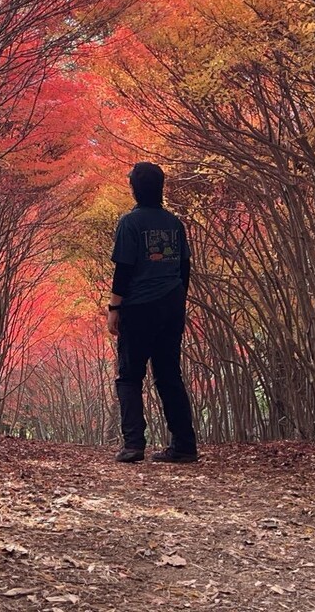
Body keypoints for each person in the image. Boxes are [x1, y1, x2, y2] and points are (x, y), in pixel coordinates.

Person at [107, 161, 197, 463]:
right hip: (171, 305)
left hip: (139, 305)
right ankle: (185, 445)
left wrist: (114, 308)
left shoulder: (129, 223)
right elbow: (185, 266)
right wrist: (179, 298)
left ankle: (133, 444)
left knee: (130, 376)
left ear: (135, 188)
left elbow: (124, 268)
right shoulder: (174, 223)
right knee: (169, 374)